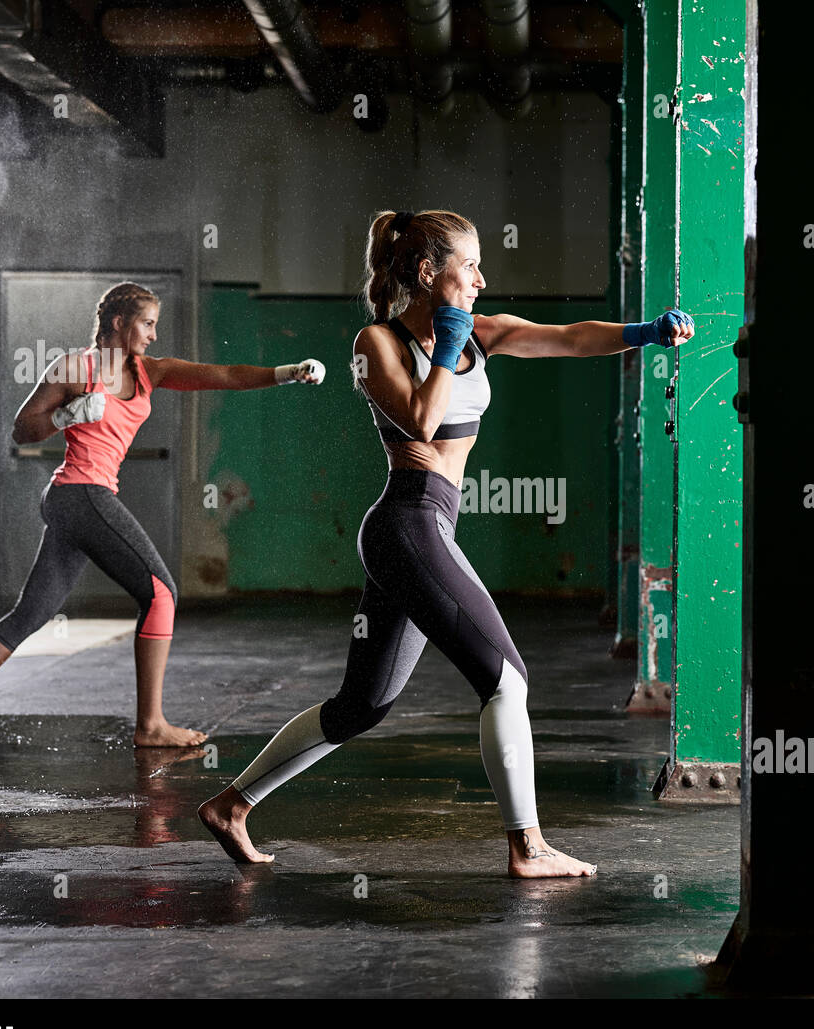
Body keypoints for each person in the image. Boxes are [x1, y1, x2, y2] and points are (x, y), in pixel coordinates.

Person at [199, 209, 694, 877]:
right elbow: (424, 421)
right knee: (506, 678)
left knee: (361, 705)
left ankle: (231, 804)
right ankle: (529, 846)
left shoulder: (480, 334)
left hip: (425, 527)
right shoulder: (376, 342)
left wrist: (647, 333)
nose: (483, 279)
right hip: (407, 522)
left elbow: (571, 337)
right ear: (430, 272)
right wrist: (448, 333)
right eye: (471, 265)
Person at [0, 281, 323, 748]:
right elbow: (20, 430)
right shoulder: (74, 368)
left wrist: (288, 372)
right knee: (160, 593)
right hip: (79, 493)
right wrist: (65, 416)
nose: (154, 334)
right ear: (119, 322)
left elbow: (225, 374)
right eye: (148, 323)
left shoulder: (150, 371)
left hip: (79, 500)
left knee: (32, 612)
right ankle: (151, 724)